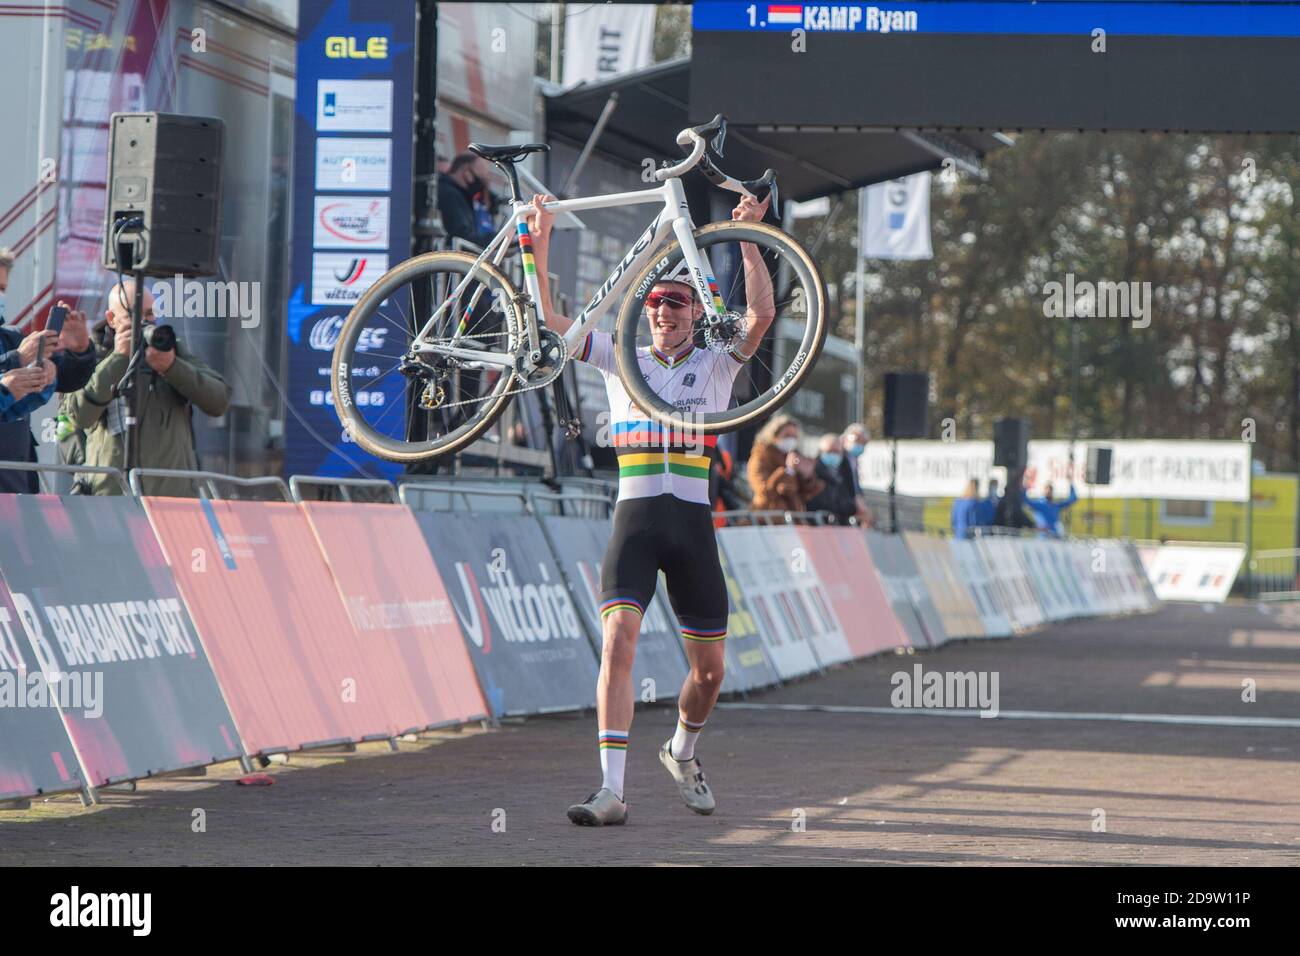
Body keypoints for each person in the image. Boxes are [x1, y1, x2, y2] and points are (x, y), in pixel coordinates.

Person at [527, 189, 775, 827]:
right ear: (646, 310)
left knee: (711, 673)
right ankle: (611, 790)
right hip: (635, 522)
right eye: (657, 301)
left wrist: (751, 237)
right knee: (618, 642)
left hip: (692, 527)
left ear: (695, 311)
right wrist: (540, 240)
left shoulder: (717, 366)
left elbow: (762, 316)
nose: (665, 309)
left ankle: (682, 750)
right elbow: (552, 327)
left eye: (678, 300)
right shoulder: (621, 360)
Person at [62, 279, 231, 496]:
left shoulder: (172, 350)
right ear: (111, 319)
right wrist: (118, 359)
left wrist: (172, 367)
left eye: (150, 315)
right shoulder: (93, 355)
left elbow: (219, 401)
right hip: (112, 496)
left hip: (171, 500)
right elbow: (79, 415)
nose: (144, 323)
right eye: (133, 315)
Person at [0, 246, 98, 492]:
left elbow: (67, 379)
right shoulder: (18, 348)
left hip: (16, 481)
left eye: (2, 288)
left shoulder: (10, 336)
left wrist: (78, 352)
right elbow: (10, 379)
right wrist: (18, 359)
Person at [748, 415, 824, 515]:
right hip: (767, 518)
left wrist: (807, 477)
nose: (791, 440)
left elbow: (804, 495)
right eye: (787, 435)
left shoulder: (795, 456)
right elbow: (764, 491)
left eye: (794, 437)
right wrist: (788, 471)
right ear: (773, 436)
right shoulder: (761, 457)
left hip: (792, 518)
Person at [436, 153, 498, 249]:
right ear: (466, 171)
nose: (482, 185)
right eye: (480, 178)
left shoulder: (463, 196)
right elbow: (462, 237)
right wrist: (497, 240)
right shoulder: (449, 195)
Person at [807, 433, 857, 524]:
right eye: (829, 451)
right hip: (818, 526)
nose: (833, 455)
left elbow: (851, 500)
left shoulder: (845, 472)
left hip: (841, 526)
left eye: (836, 452)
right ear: (820, 452)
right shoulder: (812, 472)